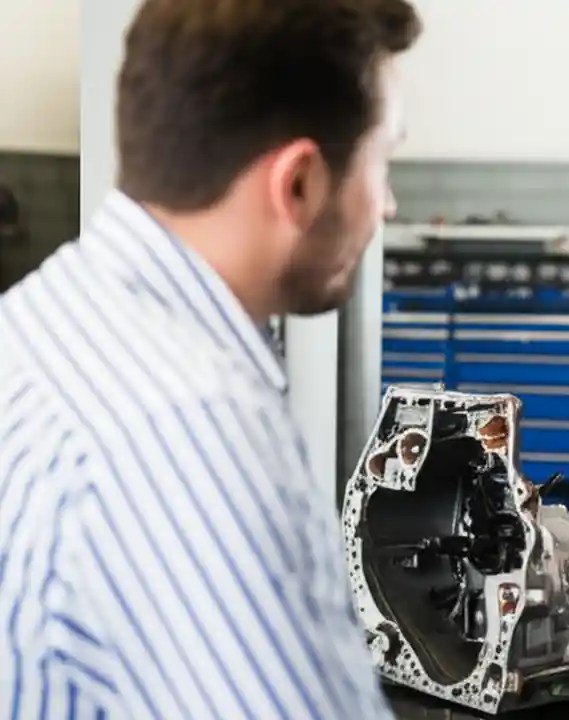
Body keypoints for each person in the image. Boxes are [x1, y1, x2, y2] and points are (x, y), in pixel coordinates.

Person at [0, 1, 421, 718]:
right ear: (298, 184)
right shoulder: (191, 425)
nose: (386, 203)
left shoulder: (41, 322)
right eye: (383, 161)